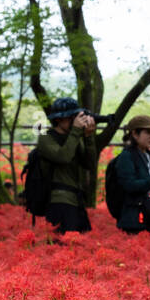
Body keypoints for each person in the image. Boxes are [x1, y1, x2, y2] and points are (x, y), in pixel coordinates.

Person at [36, 97, 95, 234]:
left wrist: (88, 137)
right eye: (72, 117)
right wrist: (75, 132)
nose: (75, 121)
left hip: (76, 200)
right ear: (58, 119)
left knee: (80, 245)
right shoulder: (46, 139)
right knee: (63, 245)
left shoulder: (74, 138)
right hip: (58, 200)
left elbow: (90, 164)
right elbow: (63, 157)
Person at [112, 114, 150, 237]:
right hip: (134, 220)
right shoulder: (127, 156)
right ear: (135, 134)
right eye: (148, 132)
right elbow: (129, 185)